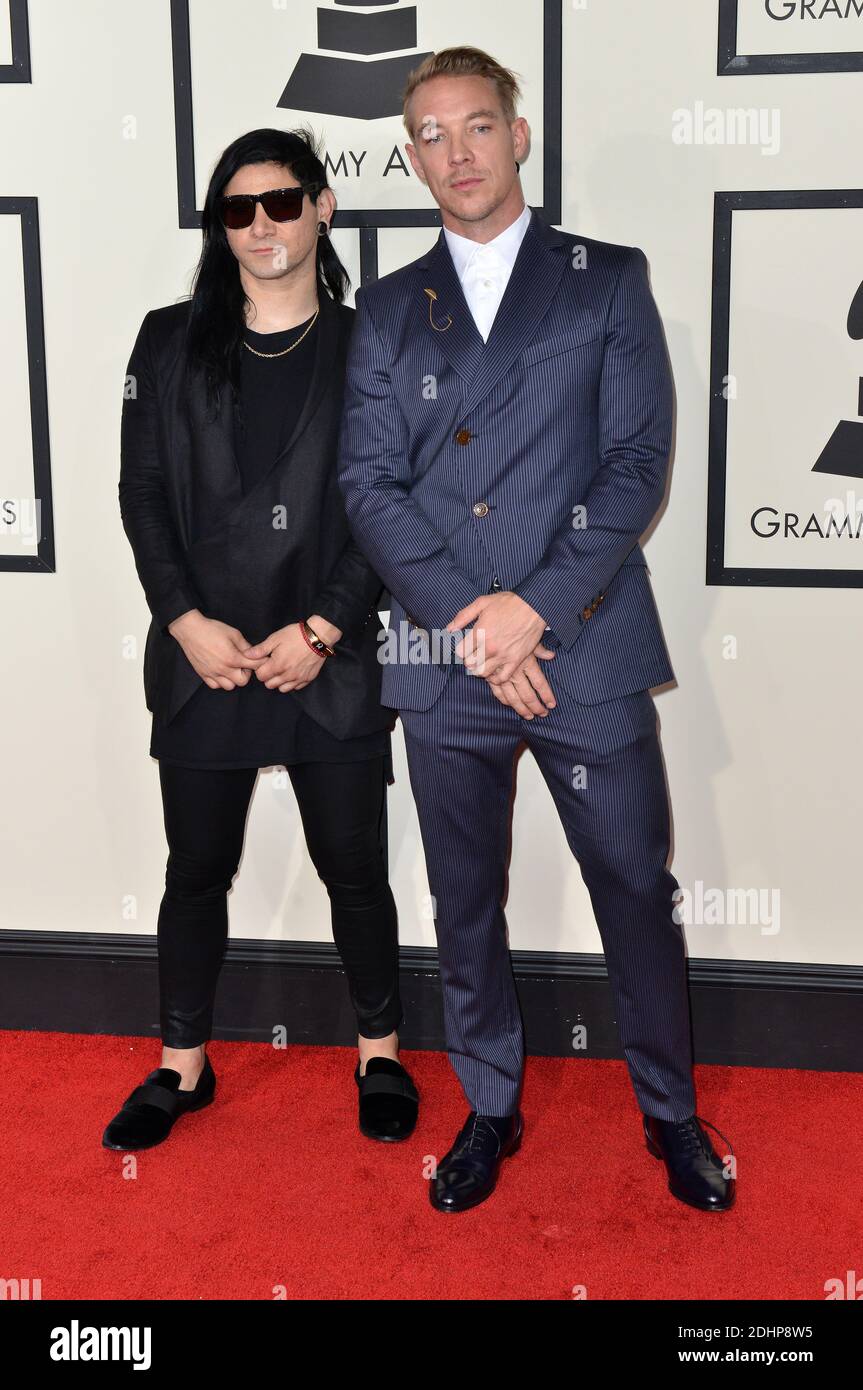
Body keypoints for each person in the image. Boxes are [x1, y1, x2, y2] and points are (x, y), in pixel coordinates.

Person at [338, 48, 735, 1213]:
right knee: (464, 901)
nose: (455, 153)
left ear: (518, 137)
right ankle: (488, 1105)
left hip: (585, 638)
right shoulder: (382, 306)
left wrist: (531, 612)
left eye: (475, 127)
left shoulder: (604, 278)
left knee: (631, 883)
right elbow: (368, 486)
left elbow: (631, 468)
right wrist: (476, 627)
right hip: (445, 652)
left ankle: (668, 1115)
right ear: (409, 155)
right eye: (430, 134)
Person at [106, 127, 418, 1152]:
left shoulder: (372, 342)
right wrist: (185, 620)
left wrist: (325, 626)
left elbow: (385, 503)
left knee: (354, 871)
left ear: (322, 208)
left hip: (327, 658)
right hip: (206, 662)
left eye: (280, 202)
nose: (260, 226)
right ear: (218, 227)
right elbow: (143, 492)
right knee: (194, 869)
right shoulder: (165, 340)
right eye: (236, 210)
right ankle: (180, 1065)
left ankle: (379, 1048)